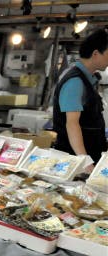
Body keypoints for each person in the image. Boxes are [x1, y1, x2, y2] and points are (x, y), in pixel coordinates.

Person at [52, 28, 108, 171]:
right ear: (96, 54)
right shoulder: (75, 82)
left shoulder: (89, 79)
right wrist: (85, 161)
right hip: (75, 162)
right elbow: (72, 124)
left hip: (89, 156)